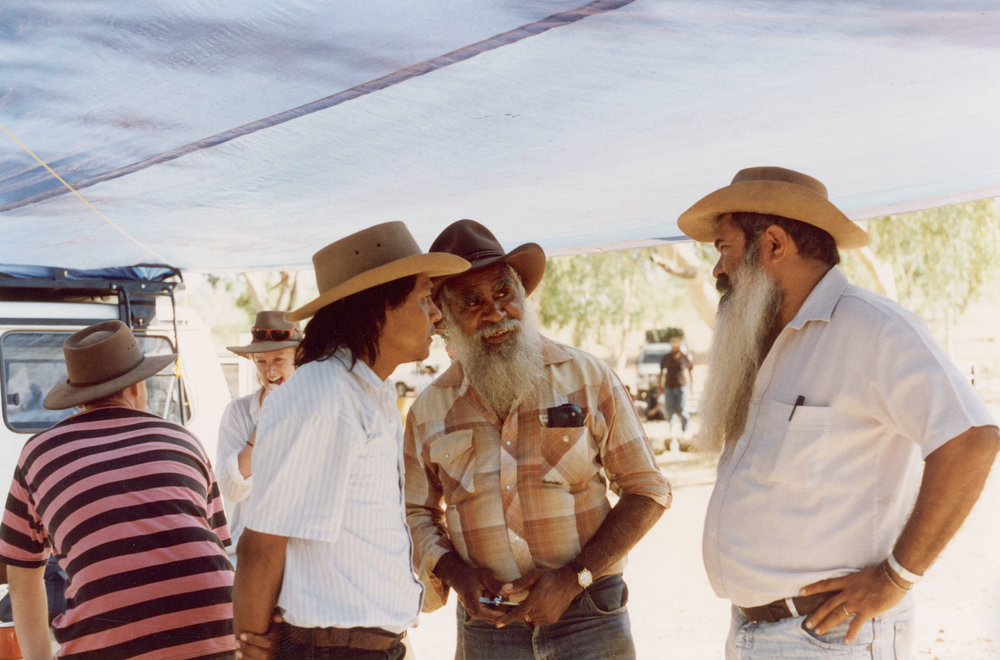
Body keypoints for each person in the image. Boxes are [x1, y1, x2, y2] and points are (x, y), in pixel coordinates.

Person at [677, 166, 999, 659]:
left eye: (723, 248)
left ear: (775, 244)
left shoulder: (874, 329)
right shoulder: (764, 342)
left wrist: (897, 577)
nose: (718, 269)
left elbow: (971, 440)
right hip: (756, 632)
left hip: (830, 638)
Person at [405, 219, 672, 660]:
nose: (494, 312)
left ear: (523, 297)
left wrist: (576, 576)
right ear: (444, 318)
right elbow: (415, 510)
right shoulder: (428, 410)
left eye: (504, 293)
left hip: (590, 614)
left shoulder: (587, 378)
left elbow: (648, 489)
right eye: (471, 302)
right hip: (487, 625)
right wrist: (456, 574)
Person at [232, 222, 469, 660]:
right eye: (423, 299)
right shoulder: (326, 398)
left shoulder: (365, 392)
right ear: (377, 306)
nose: (436, 314)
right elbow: (262, 543)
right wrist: (249, 644)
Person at [0, 320, 235, 660]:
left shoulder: (39, 452)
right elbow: (214, 546)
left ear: (78, 401)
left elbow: (22, 577)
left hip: (110, 644)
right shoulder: (184, 440)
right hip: (216, 632)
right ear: (138, 388)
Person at [217, 311, 302, 566]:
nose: (271, 370)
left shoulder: (315, 411)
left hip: (303, 558)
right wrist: (264, 423)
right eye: (261, 361)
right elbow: (231, 490)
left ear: (299, 359)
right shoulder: (239, 413)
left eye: (279, 359)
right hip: (251, 558)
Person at [657, 335, 693, 435]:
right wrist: (659, 386)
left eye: (676, 346)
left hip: (682, 386)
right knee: (669, 409)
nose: (674, 348)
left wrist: (691, 387)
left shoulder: (684, 357)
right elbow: (660, 372)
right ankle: (671, 428)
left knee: (684, 409)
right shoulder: (666, 357)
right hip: (668, 387)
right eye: (673, 346)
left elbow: (690, 372)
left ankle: (685, 430)